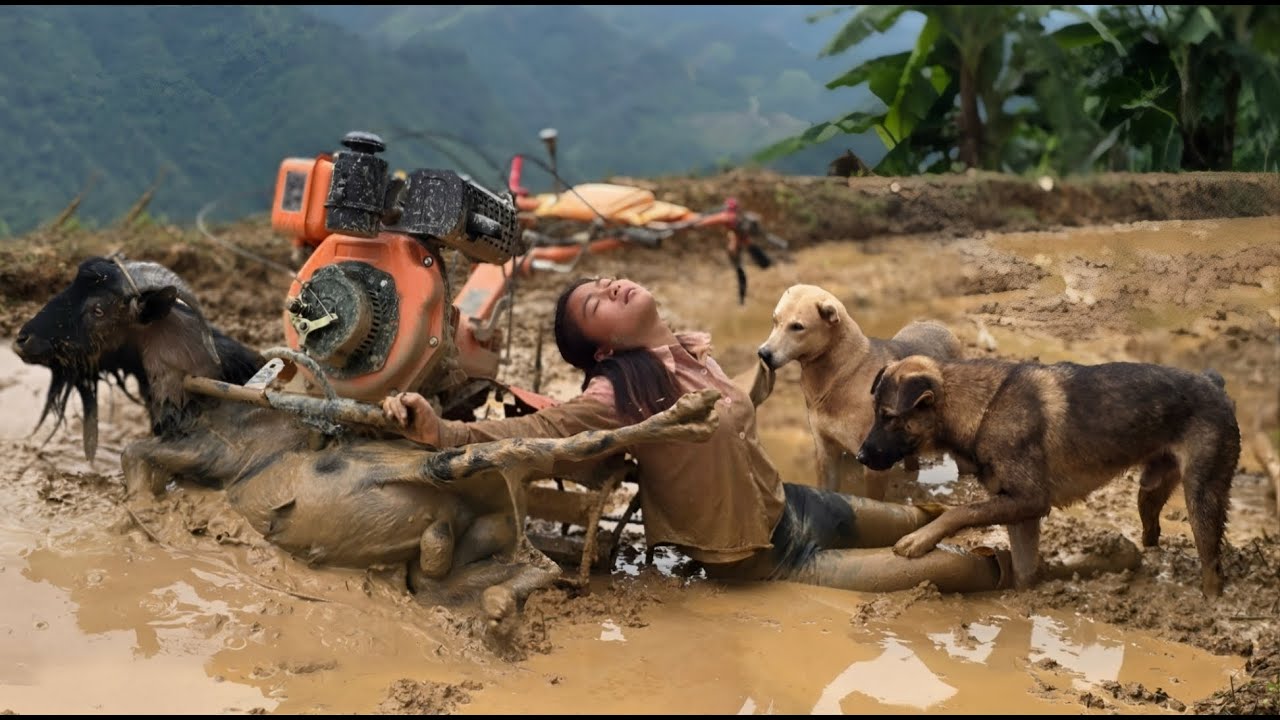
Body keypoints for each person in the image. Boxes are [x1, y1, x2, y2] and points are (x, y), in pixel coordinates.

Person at [382, 276, 1013, 593]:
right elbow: (538, 431)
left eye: (603, 282)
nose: (612, 287)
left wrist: (778, 367)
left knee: (924, 516)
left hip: (792, 504)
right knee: (958, 569)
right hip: (759, 555)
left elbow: (741, 396)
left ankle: (1029, 542)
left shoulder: (685, 352)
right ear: (604, 345)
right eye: (598, 303)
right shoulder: (615, 397)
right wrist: (441, 429)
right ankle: (1030, 575)